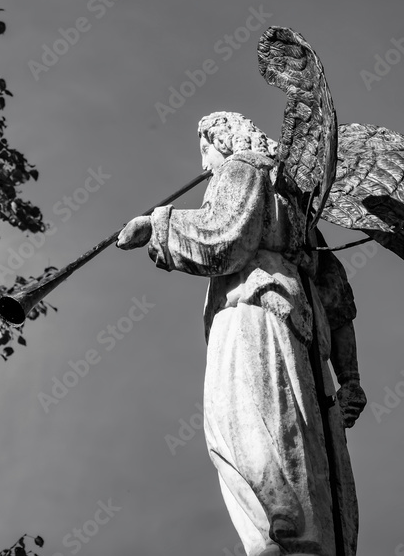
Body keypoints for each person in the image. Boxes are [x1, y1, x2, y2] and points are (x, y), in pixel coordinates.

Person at [117, 111, 366, 556]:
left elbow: (226, 240)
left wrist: (156, 226)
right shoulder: (300, 211)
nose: (206, 165)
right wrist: (350, 377)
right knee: (301, 448)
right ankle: (304, 538)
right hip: (301, 337)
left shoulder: (244, 169)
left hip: (254, 314)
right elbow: (338, 301)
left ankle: (286, 537)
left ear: (221, 139)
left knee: (246, 442)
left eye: (206, 151)